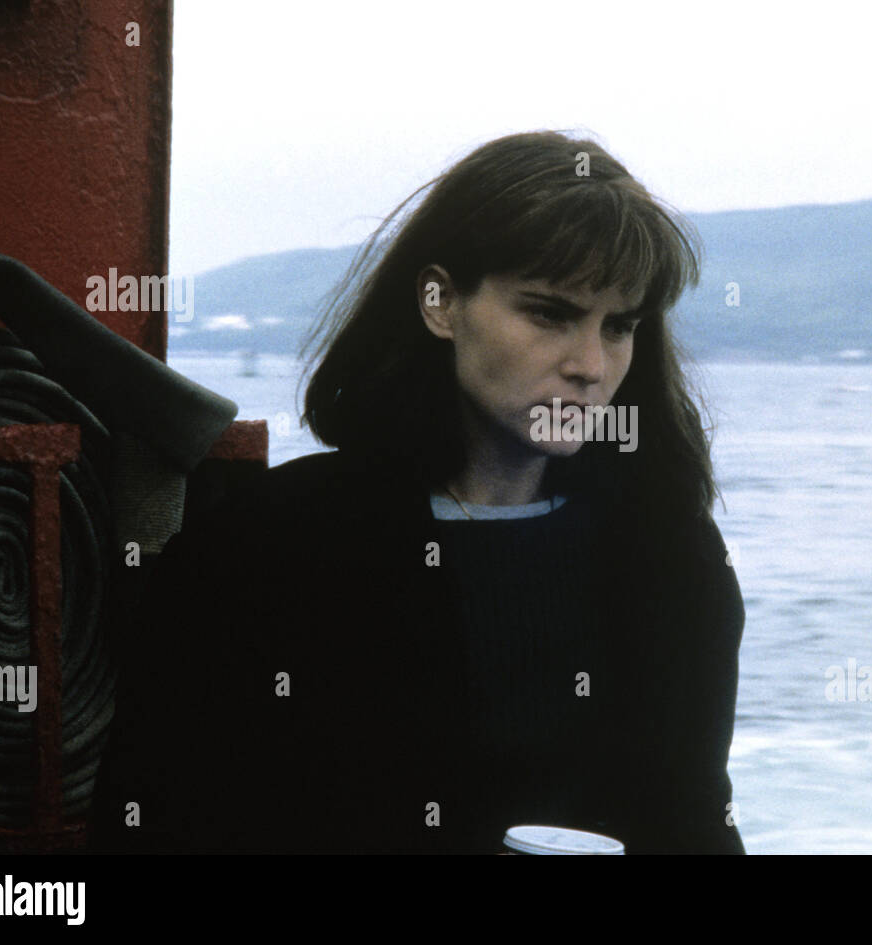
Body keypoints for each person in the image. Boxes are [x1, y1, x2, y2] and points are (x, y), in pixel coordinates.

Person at [88, 130, 747, 854]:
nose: (590, 364)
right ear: (440, 303)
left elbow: (694, 820)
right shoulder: (269, 545)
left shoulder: (670, 555)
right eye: (550, 313)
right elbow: (158, 819)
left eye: (619, 325)